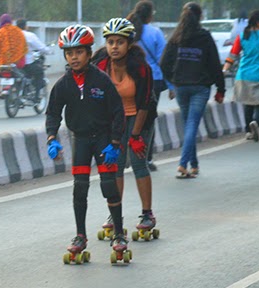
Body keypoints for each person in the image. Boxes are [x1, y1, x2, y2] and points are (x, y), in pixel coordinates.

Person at [45, 24, 128, 261]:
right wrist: (52, 138)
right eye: (70, 53)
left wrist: (115, 142)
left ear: (89, 53)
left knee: (109, 186)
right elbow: (53, 113)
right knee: (80, 188)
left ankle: (119, 234)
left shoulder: (101, 80)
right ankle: (80, 236)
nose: (74, 57)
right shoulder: (63, 84)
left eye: (79, 52)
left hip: (103, 140)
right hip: (80, 140)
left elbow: (118, 111)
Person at [94, 18, 158, 238]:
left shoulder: (141, 68)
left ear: (129, 44)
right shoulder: (100, 65)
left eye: (120, 42)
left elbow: (146, 103)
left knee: (139, 164)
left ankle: (147, 214)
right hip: (115, 120)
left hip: (140, 117)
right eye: (110, 42)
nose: (114, 47)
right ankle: (115, 214)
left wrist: (136, 135)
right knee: (115, 166)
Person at [161, 2, 225, 179]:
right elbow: (214, 64)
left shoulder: (176, 37)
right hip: (200, 87)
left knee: (189, 124)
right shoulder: (204, 37)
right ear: (200, 16)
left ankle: (194, 165)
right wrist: (221, 88)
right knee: (192, 124)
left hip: (181, 86)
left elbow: (164, 63)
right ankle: (183, 164)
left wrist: (173, 79)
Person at [128, 1, 168, 170]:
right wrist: (171, 86)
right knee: (148, 120)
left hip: (131, 79)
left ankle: (127, 157)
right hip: (153, 81)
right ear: (150, 15)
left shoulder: (128, 30)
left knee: (129, 117)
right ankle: (146, 158)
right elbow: (163, 60)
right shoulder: (155, 33)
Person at [225, 10, 259, 142]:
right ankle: (256, 122)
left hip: (244, 74)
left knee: (248, 102)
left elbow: (233, 55)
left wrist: (224, 69)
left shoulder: (241, 36)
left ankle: (248, 131)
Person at [0, 14, 28, 95]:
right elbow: (24, 47)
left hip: (4, 63)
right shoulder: (18, 31)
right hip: (19, 62)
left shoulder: (1, 32)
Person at [16, 19, 51, 95]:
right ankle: (36, 96)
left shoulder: (12, 35)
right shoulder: (29, 35)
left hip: (13, 64)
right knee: (39, 72)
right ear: (25, 26)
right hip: (26, 63)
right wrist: (49, 51)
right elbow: (41, 47)